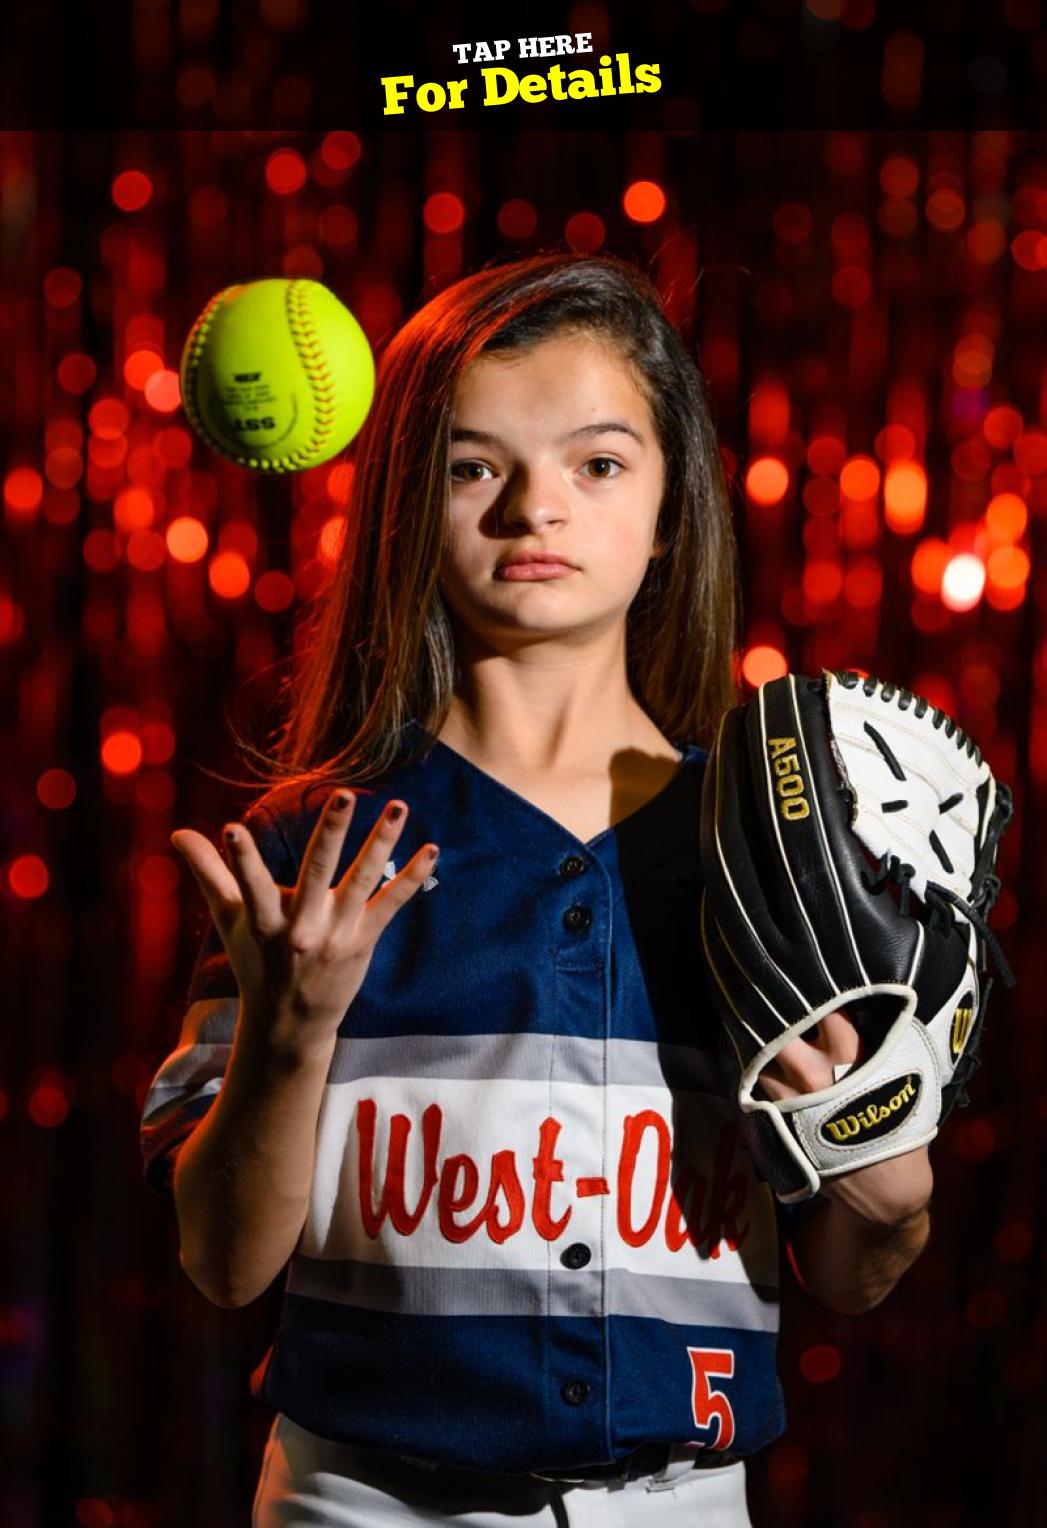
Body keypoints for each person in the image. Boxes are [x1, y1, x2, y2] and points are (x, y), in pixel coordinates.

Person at [140, 252, 933, 1527]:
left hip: (683, 1500)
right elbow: (223, 1263)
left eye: (598, 462)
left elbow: (853, 1268)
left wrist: (890, 1196)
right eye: (473, 466)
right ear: (408, 506)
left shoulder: (775, 855)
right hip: (368, 1499)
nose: (533, 508)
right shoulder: (310, 855)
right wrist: (288, 1038)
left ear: (674, 503)